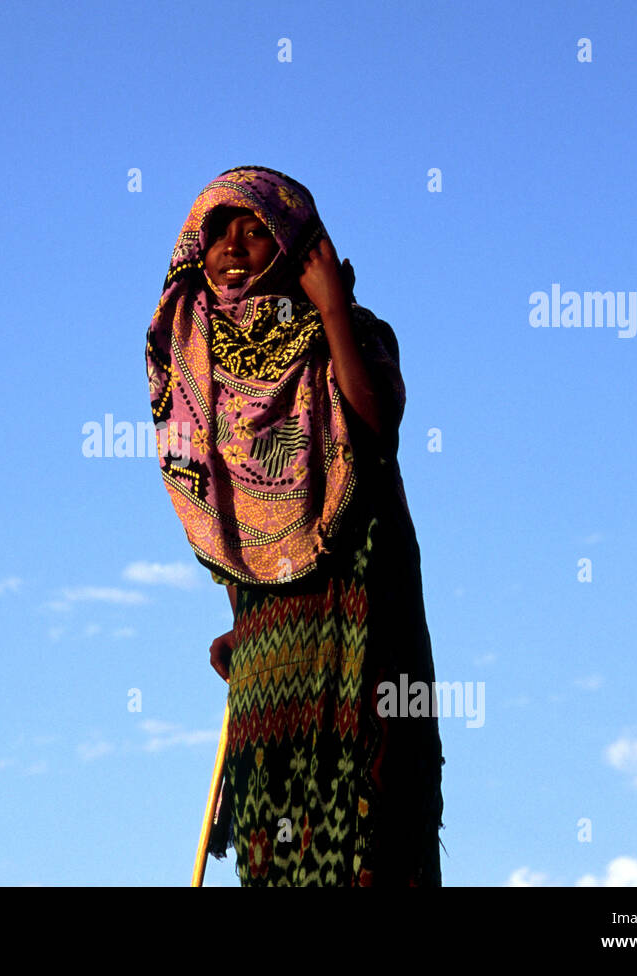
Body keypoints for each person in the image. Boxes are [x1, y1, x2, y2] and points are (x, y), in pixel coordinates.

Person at [145, 166, 445, 886]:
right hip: (269, 647)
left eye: (256, 228)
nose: (237, 245)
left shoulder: (352, 331)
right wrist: (238, 626)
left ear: (293, 243)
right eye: (220, 233)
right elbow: (225, 528)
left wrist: (333, 308)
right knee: (275, 842)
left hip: (360, 609)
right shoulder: (200, 373)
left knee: (368, 827)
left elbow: (375, 428)